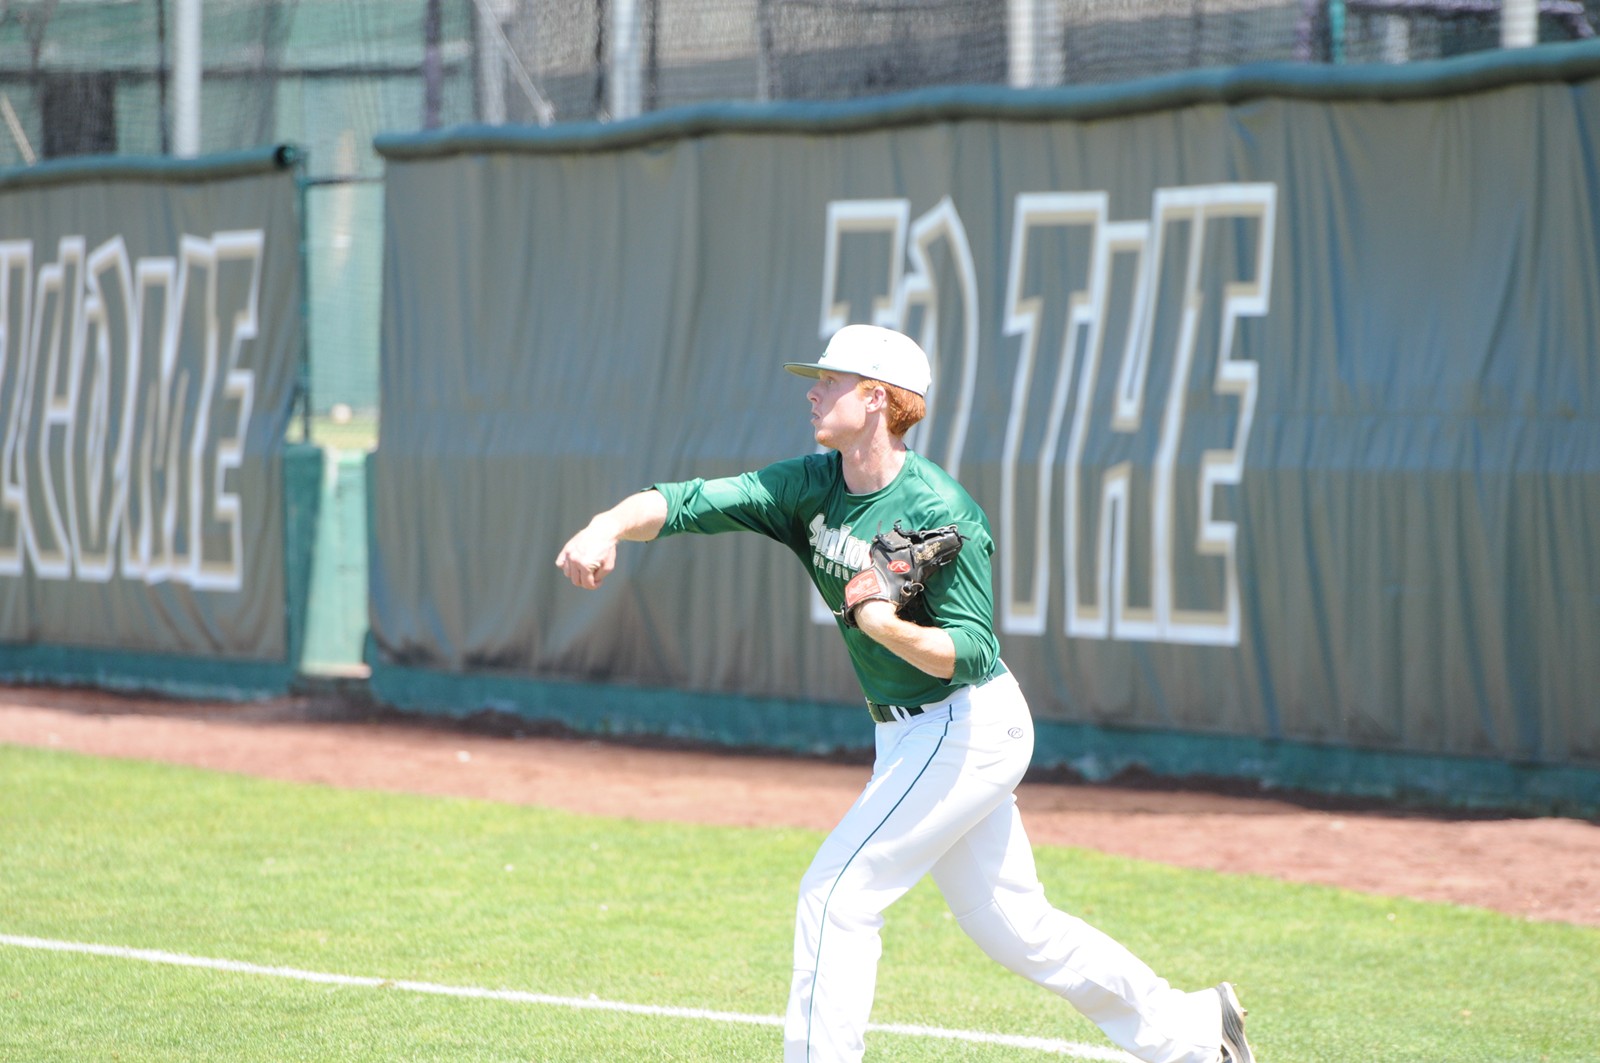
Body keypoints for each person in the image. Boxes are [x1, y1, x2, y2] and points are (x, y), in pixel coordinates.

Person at [555, 324, 1256, 1063]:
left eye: (831, 379)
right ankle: (1192, 1032)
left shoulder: (940, 509)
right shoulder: (811, 484)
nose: (812, 389)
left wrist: (882, 624)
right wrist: (607, 527)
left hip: (967, 723)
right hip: (908, 734)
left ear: (879, 398)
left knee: (836, 895)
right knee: (1014, 925)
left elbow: (973, 650)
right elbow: (690, 500)